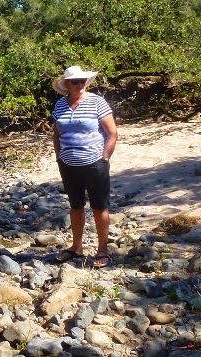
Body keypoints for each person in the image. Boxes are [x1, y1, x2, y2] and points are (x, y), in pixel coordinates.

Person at [51, 65, 118, 268]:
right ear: (67, 85)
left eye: (82, 81)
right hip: (68, 164)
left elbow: (112, 133)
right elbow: (56, 133)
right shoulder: (60, 105)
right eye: (75, 81)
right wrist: (58, 157)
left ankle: (102, 250)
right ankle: (76, 248)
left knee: (99, 207)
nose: (80, 84)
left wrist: (104, 157)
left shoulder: (97, 102)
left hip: (94, 164)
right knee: (76, 206)